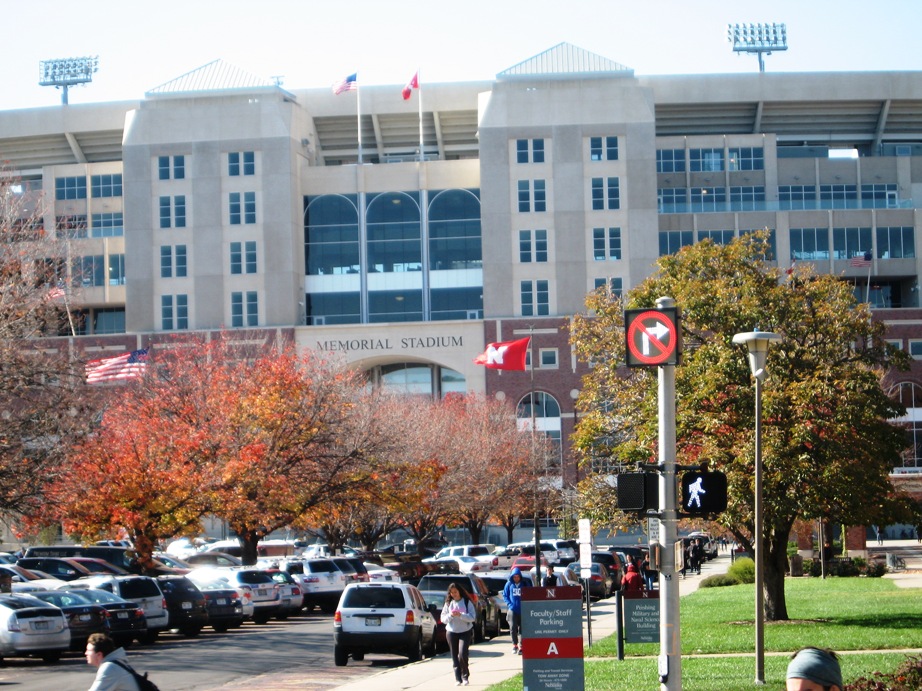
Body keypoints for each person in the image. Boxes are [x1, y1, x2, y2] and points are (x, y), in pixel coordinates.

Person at [441, 582, 476, 687]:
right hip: (451, 632)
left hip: (465, 631)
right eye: (452, 593)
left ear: (459, 591)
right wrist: (451, 615)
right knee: (454, 656)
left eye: (455, 592)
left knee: (462, 654)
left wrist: (461, 615)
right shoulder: (448, 603)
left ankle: (465, 676)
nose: (454, 594)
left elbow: (472, 617)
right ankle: (458, 678)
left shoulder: (466, 602)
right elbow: (443, 619)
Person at [502, 567, 524, 655]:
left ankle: (521, 646)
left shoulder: (524, 584)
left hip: (522, 609)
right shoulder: (509, 584)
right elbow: (505, 595)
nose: (516, 578)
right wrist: (510, 605)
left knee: (522, 629)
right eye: (514, 577)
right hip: (512, 609)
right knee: (512, 627)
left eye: (518, 577)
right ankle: (515, 645)